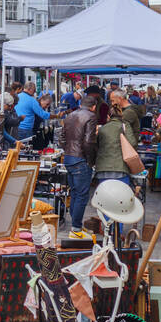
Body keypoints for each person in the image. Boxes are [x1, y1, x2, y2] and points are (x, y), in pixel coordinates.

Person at [61, 94, 99, 230]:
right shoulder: (91, 116)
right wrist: (90, 160)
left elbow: (62, 139)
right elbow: (88, 141)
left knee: (75, 193)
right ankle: (76, 226)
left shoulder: (70, 115)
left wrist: (68, 151)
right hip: (80, 158)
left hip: (69, 157)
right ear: (93, 107)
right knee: (81, 195)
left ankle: (75, 224)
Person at [95, 90, 139, 189]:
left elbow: (96, 145)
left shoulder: (102, 128)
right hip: (120, 167)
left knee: (105, 198)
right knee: (120, 197)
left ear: (108, 116)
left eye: (112, 100)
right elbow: (132, 143)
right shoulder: (124, 125)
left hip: (102, 168)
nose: (112, 102)